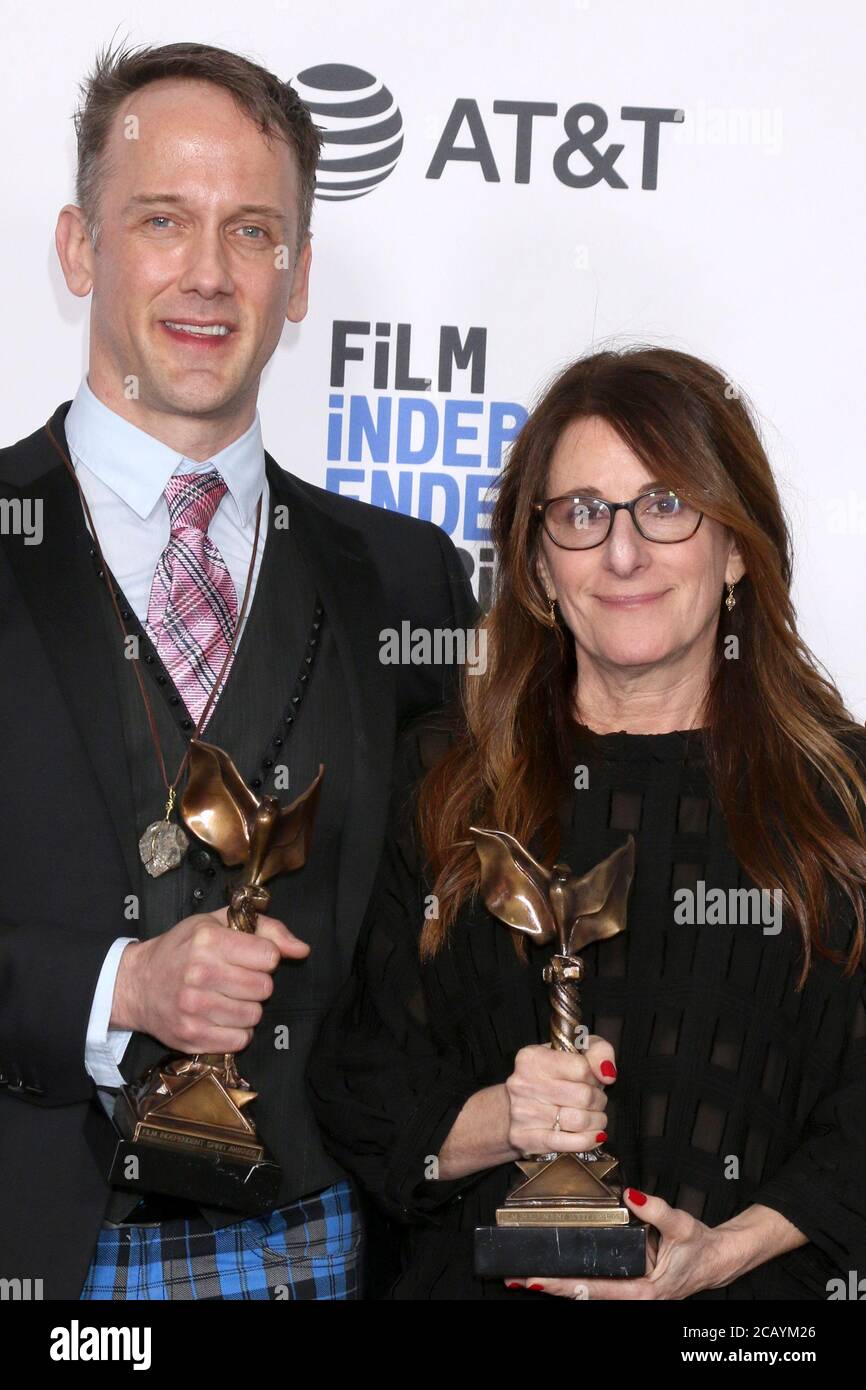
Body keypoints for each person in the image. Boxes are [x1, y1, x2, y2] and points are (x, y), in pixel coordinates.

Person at [0, 40, 476, 1301]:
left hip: (321, 1249)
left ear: (300, 274)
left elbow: (446, 935)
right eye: (163, 219)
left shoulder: (410, 579)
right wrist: (116, 984)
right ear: (78, 248)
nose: (208, 274)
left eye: (253, 231)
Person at [307, 345, 866, 1300]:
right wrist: (505, 1117)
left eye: (665, 504)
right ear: (532, 562)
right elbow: (358, 1076)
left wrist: (724, 1253)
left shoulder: (841, 798)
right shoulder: (441, 782)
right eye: (580, 513)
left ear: (735, 547)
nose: (621, 552)